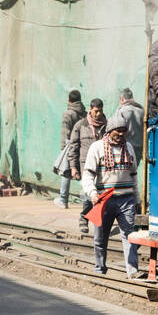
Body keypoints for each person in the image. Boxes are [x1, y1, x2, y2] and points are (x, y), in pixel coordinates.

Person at [82, 117, 139, 277]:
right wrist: (92, 194)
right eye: (118, 130)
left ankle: (132, 271)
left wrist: (137, 199)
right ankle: (100, 269)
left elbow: (134, 175)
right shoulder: (97, 148)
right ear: (109, 131)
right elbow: (87, 175)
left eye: (123, 131)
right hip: (103, 199)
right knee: (100, 237)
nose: (121, 134)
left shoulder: (128, 148)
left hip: (126, 199)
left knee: (130, 236)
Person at [67, 98, 107, 234]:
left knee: (100, 195)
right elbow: (73, 147)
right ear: (90, 109)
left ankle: (98, 222)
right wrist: (73, 167)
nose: (98, 114)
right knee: (88, 193)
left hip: (103, 166)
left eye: (100, 111)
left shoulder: (107, 125)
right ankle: (84, 218)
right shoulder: (80, 125)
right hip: (85, 166)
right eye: (96, 111)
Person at [56, 90, 86, 209]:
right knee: (84, 172)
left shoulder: (67, 114)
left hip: (70, 146)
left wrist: (63, 149)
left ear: (69, 100)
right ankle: (85, 199)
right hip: (82, 146)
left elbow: (65, 133)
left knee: (66, 172)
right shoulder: (84, 113)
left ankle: (63, 200)